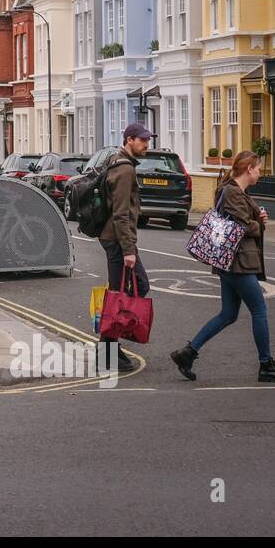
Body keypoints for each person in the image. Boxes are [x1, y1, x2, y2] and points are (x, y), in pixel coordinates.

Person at [170, 151, 275, 383]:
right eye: (258, 168)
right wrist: (258, 222)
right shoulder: (231, 192)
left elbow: (245, 221)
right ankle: (266, 365)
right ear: (248, 169)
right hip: (238, 262)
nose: (260, 173)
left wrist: (259, 218)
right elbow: (243, 227)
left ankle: (188, 353)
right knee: (259, 311)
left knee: (228, 314)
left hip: (231, 262)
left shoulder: (236, 192)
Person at [98, 122, 153, 374]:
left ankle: (109, 349)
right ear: (129, 139)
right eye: (142, 140)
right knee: (130, 289)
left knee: (120, 293)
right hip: (118, 240)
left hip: (116, 239)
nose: (146, 145)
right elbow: (121, 214)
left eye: (147, 140)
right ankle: (108, 350)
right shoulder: (125, 170)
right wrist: (129, 249)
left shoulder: (118, 161)